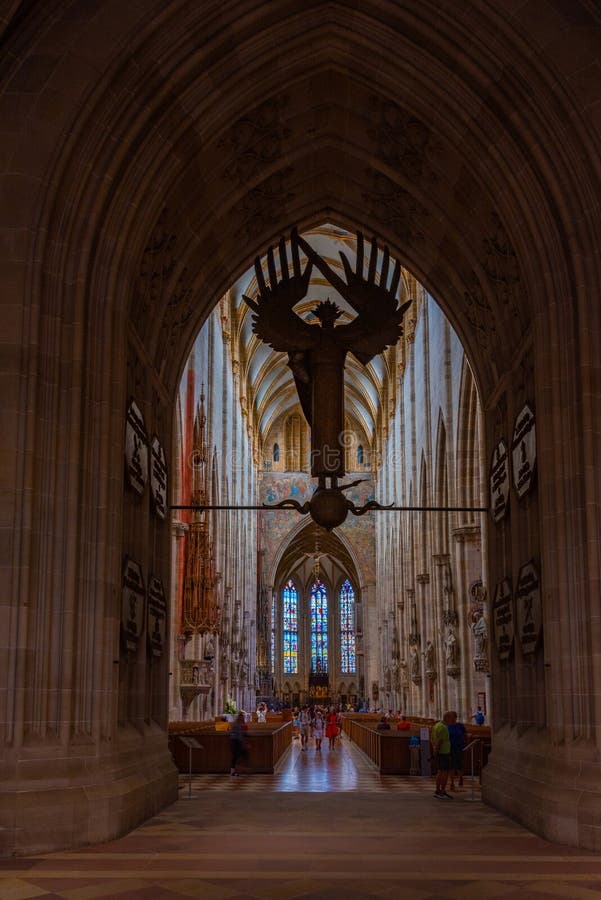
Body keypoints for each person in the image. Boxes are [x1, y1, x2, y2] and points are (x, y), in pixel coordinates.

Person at [431, 711, 454, 799]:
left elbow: (432, 738)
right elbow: (440, 742)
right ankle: (441, 791)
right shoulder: (443, 728)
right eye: (452, 718)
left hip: (440, 752)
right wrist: (436, 751)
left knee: (440, 771)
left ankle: (438, 790)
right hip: (443, 753)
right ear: (448, 718)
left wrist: (434, 748)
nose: (453, 720)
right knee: (444, 772)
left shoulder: (437, 725)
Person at [447, 710, 466, 790]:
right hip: (450, 748)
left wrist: (464, 745)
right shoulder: (447, 726)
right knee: (451, 766)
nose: (452, 719)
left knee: (459, 765)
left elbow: (464, 735)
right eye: (450, 717)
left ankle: (461, 778)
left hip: (459, 747)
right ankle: (451, 782)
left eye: (453, 717)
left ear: (455, 717)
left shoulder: (460, 726)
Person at [229, 711, 249, 776]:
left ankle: (234, 771)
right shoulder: (238, 724)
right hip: (236, 742)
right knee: (237, 756)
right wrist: (244, 743)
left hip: (234, 741)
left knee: (236, 756)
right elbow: (240, 734)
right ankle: (236, 771)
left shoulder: (236, 723)